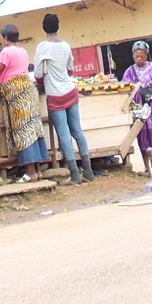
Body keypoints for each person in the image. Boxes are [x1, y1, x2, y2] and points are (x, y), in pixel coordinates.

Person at [34, 13, 93, 184]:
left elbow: (38, 73)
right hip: (70, 91)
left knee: (64, 135)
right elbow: (70, 70)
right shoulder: (66, 46)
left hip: (55, 95)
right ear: (58, 27)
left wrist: (43, 78)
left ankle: (74, 174)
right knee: (77, 131)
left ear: (44, 28)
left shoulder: (42, 48)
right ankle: (88, 171)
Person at [0, 23, 49, 182]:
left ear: (5, 38)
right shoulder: (22, 50)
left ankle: (30, 172)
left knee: (24, 131)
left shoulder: (6, 51)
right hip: (29, 90)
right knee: (33, 128)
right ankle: (37, 170)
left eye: (1, 38)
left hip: (17, 93)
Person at [120, 41, 152, 167]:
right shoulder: (129, 72)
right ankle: (147, 166)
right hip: (139, 108)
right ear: (133, 57)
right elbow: (124, 88)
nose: (139, 59)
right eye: (137, 57)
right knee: (142, 135)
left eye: (142, 56)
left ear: (147, 56)